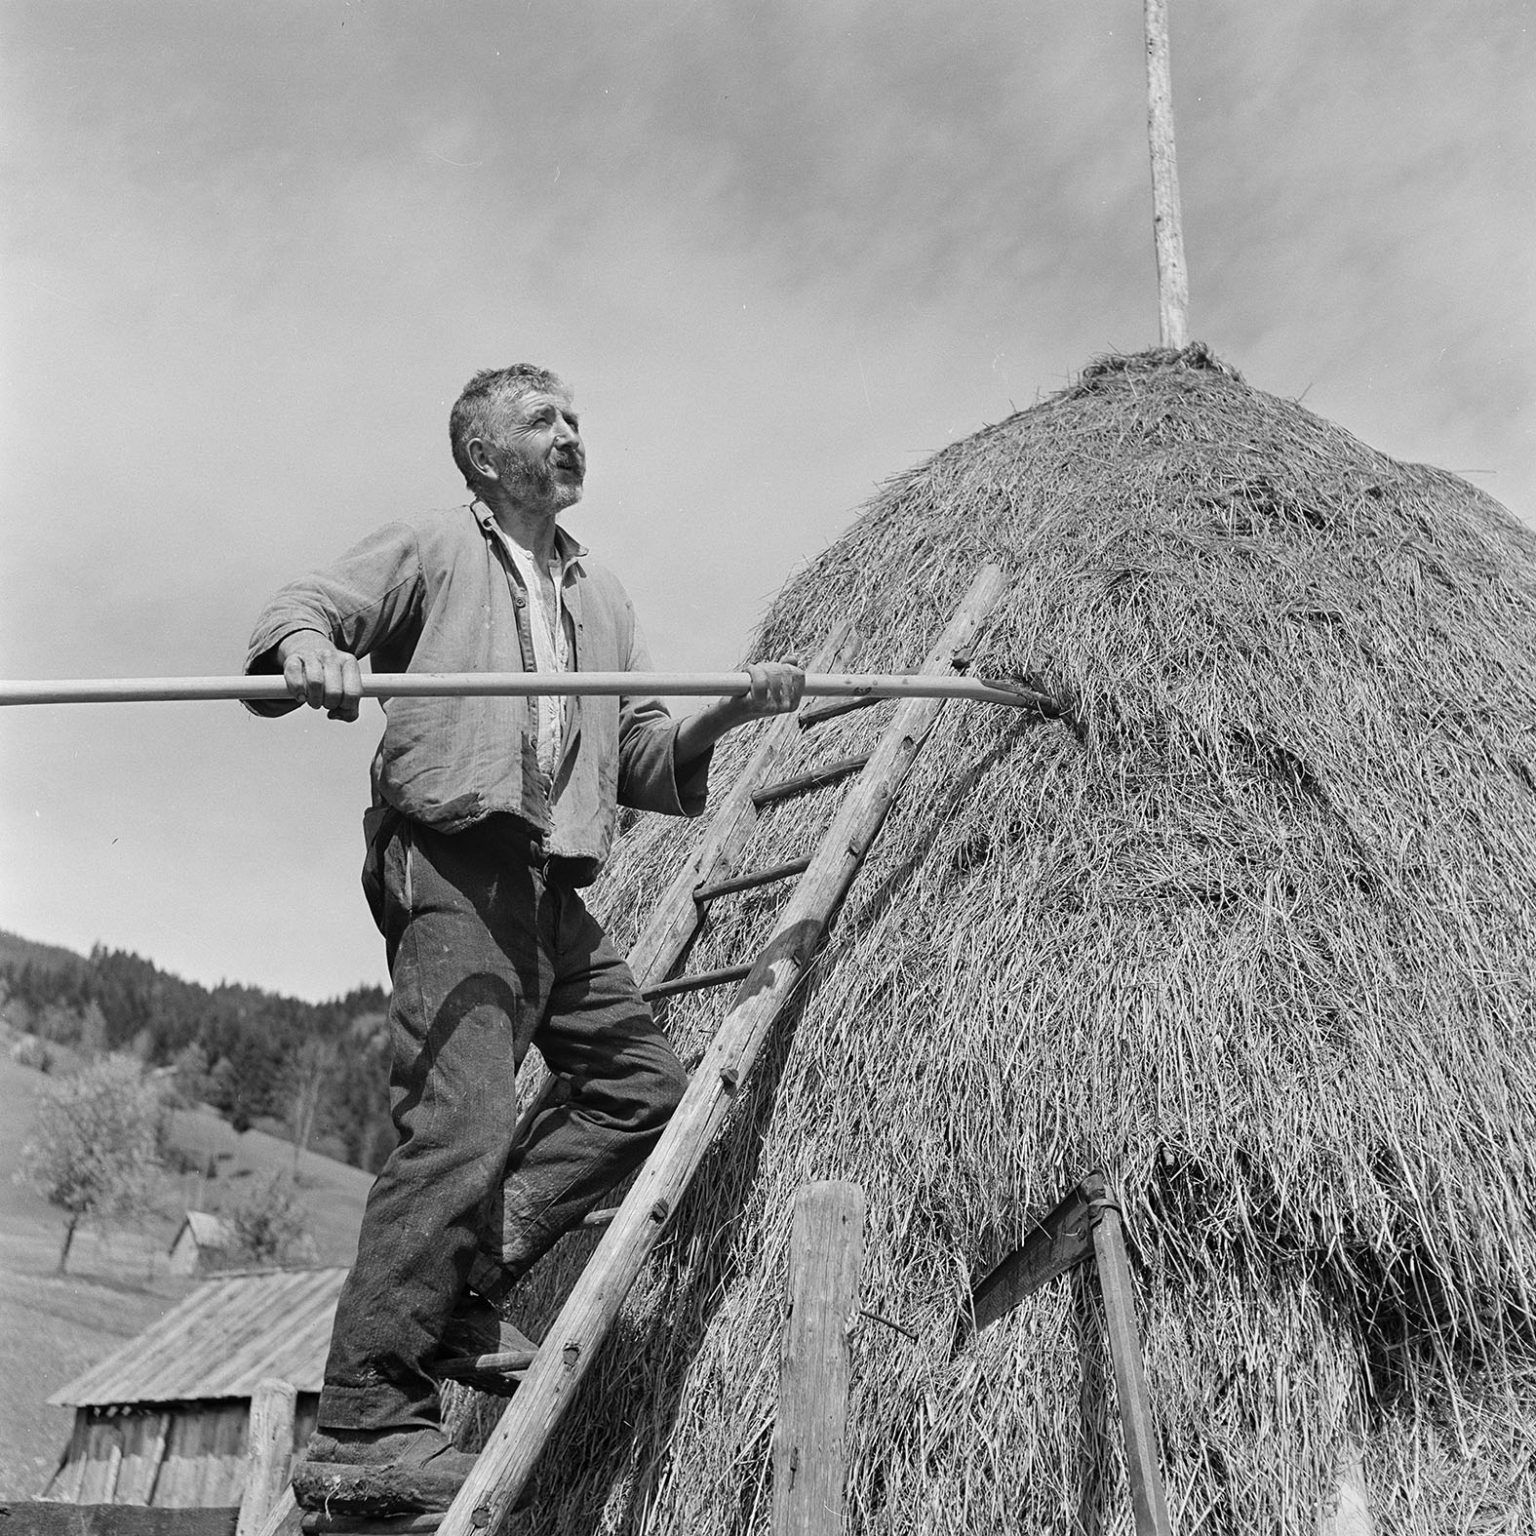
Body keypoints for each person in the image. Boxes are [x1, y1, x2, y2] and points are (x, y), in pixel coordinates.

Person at [244, 364, 803, 1488]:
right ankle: (363, 1428)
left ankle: (461, 1287)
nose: (570, 435)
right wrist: (308, 652)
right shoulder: (432, 549)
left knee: (640, 1088)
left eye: (577, 419)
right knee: (459, 1125)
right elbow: (302, 614)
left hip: (551, 880)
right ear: (483, 455)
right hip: (453, 855)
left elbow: (640, 754)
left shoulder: (603, 599)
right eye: (544, 420)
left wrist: (734, 713)